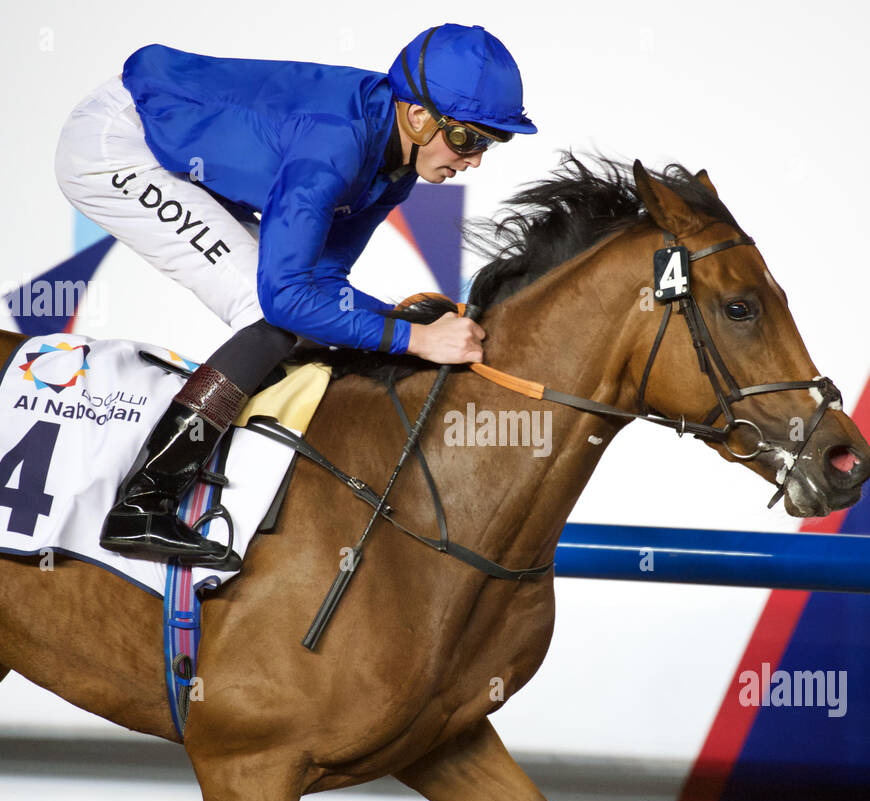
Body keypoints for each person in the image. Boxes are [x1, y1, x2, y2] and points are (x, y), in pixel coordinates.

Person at [53, 24, 537, 569]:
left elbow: (324, 282)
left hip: (172, 130)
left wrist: (414, 325)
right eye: (468, 139)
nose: (475, 160)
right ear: (419, 116)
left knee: (309, 313)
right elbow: (286, 299)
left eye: (491, 143)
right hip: (118, 144)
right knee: (270, 313)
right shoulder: (336, 147)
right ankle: (144, 500)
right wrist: (417, 337)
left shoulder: (396, 168)